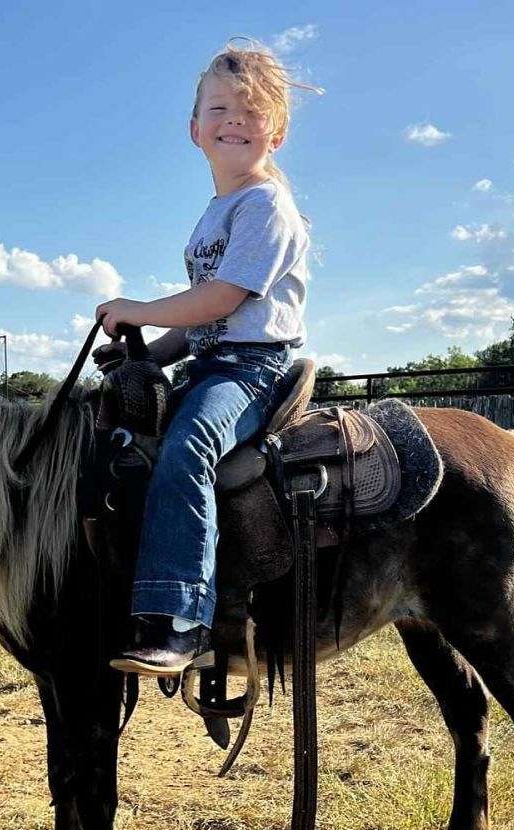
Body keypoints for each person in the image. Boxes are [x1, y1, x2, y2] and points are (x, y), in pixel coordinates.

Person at [94, 42, 318, 677]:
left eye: (252, 111)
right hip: (211, 361)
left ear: (276, 130)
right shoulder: (214, 214)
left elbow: (223, 298)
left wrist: (140, 309)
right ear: (195, 130)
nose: (234, 121)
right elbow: (202, 322)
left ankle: (184, 618)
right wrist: (145, 352)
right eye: (219, 108)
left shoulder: (266, 205)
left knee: (188, 447)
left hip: (253, 369)